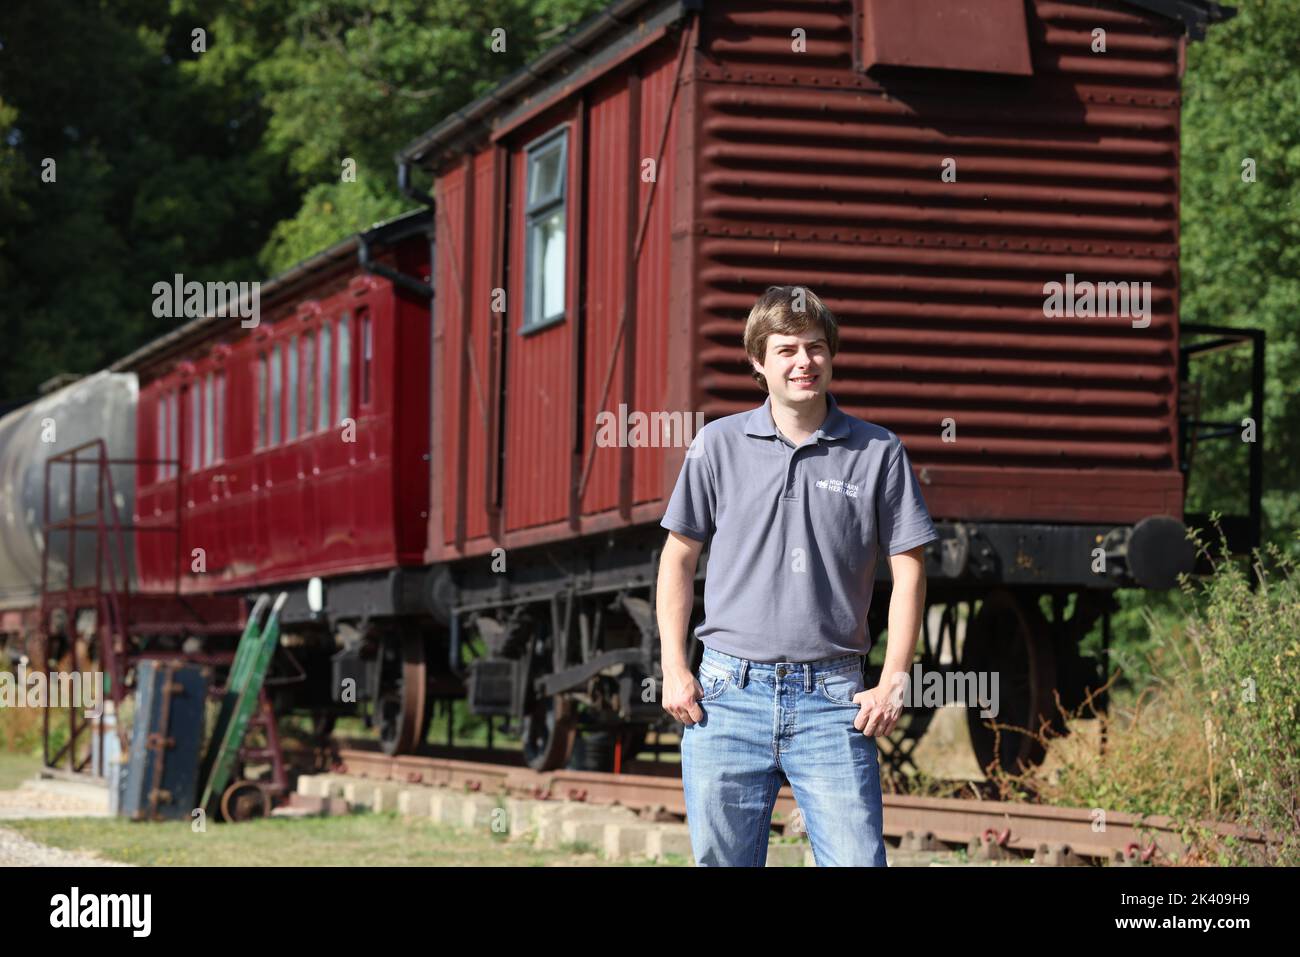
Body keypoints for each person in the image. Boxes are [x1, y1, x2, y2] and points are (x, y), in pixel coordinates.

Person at [656, 284, 938, 866]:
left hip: (834, 699)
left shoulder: (878, 451)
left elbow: (909, 570)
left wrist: (892, 681)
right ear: (759, 362)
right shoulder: (716, 445)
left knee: (858, 861)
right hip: (726, 696)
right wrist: (674, 667)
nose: (803, 362)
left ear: (831, 357)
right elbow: (677, 558)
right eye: (786, 350)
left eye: (814, 348)